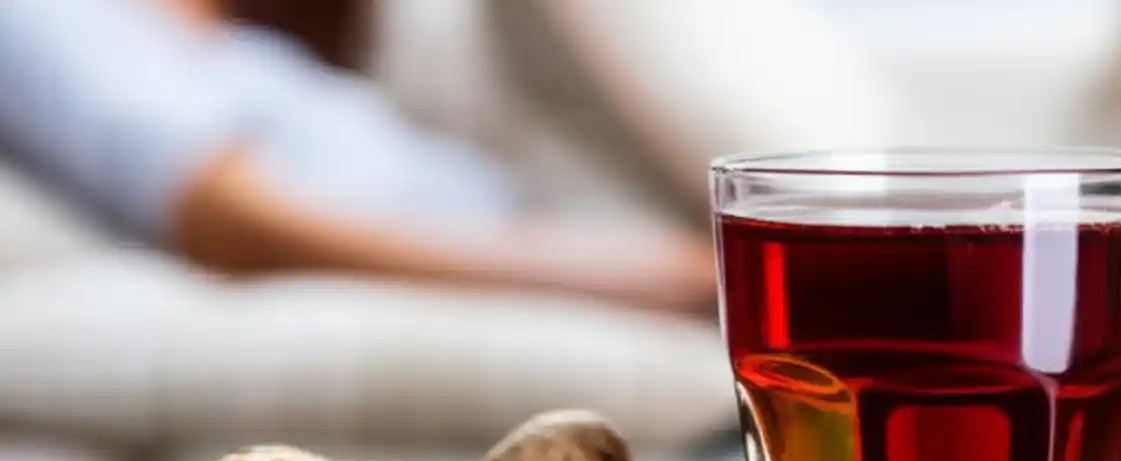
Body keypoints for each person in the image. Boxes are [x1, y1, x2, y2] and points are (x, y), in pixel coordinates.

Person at [0, 0, 717, 315]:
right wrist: (600, 274)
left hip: (561, 213)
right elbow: (224, 218)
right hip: (544, 248)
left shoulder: (223, 41)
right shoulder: (51, 20)